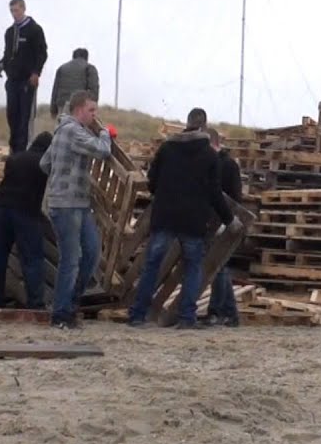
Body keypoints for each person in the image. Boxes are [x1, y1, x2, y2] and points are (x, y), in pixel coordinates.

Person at [128, 108, 238, 328]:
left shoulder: (167, 148)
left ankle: (138, 314)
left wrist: (162, 195)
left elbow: (152, 180)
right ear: (204, 126)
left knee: (152, 265)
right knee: (193, 267)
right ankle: (187, 317)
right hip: (193, 220)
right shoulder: (209, 155)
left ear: (186, 124)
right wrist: (228, 219)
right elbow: (215, 192)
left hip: (165, 216)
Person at [39, 91, 112, 329]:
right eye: (92, 110)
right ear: (79, 109)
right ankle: (61, 314)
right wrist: (105, 133)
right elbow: (103, 150)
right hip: (66, 205)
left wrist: (63, 174)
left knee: (91, 254)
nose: (94, 115)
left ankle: (70, 304)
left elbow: (44, 163)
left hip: (77, 203)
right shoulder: (72, 130)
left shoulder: (62, 131)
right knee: (71, 260)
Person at [0, 132, 52, 309]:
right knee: (32, 259)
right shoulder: (44, 163)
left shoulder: (15, 158)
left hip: (3, 209)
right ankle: (35, 304)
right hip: (25, 212)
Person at [205, 128, 244, 327]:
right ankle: (229, 313)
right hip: (214, 221)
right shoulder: (213, 163)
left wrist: (227, 221)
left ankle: (218, 311)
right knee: (220, 267)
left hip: (224, 222)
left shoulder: (227, 165)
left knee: (218, 267)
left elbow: (235, 197)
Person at [0, 0, 48, 153]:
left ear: (23, 9)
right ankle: (14, 149)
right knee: (12, 115)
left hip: (27, 81)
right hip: (12, 81)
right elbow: (8, 53)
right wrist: (2, 64)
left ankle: (22, 151)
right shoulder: (10, 32)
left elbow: (42, 53)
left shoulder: (34, 30)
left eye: (16, 10)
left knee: (24, 118)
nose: (14, 14)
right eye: (11, 11)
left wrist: (36, 72)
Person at [49, 48, 100, 119]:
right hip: (80, 107)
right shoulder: (89, 67)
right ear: (86, 57)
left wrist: (53, 110)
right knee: (79, 129)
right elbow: (94, 89)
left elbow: (55, 90)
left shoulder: (61, 68)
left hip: (62, 106)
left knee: (63, 128)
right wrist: (92, 109)